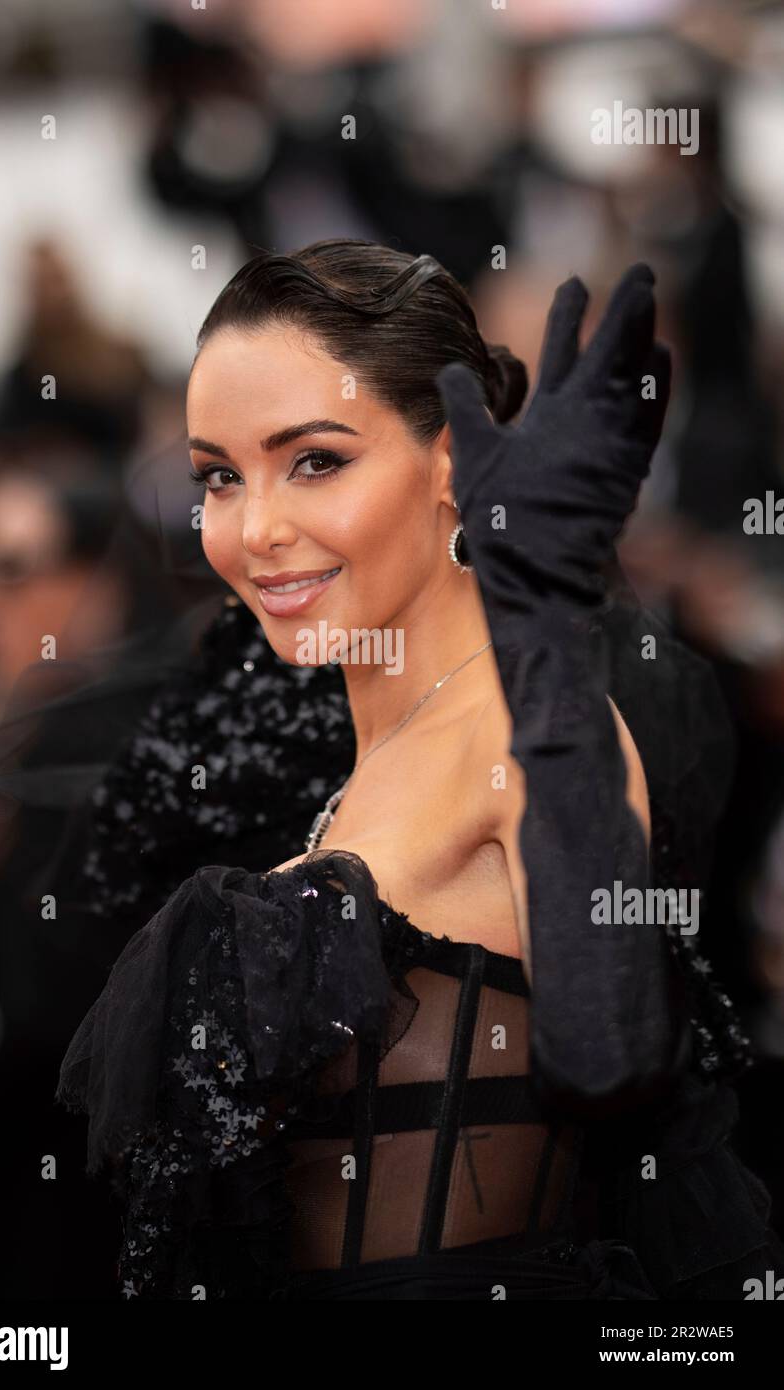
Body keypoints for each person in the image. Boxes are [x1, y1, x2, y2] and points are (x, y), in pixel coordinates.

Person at [54, 239, 783, 1300]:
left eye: (316, 461)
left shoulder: (521, 725)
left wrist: (538, 617)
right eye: (219, 474)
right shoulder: (364, 758)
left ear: (452, 461)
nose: (257, 529)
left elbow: (617, 1052)